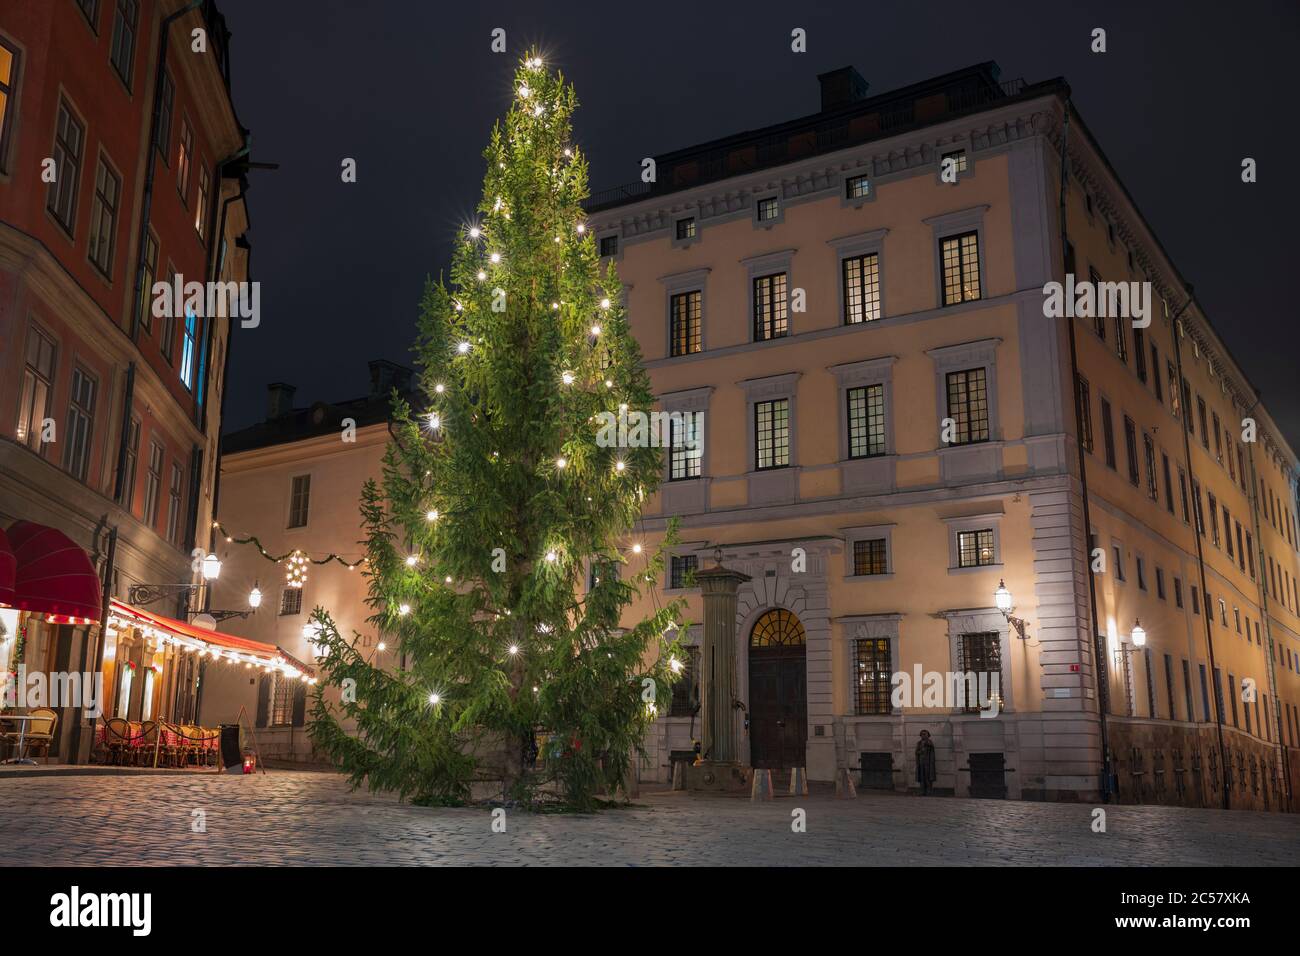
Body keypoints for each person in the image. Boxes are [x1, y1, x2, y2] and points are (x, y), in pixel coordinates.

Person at [915, 729, 937, 796]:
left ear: (928, 735)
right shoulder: (919, 743)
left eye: (925, 734)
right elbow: (916, 752)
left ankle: (929, 790)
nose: (923, 735)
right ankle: (922, 790)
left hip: (928, 763)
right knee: (922, 777)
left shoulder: (929, 743)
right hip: (921, 762)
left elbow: (932, 752)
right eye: (922, 734)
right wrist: (920, 752)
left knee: (928, 777)